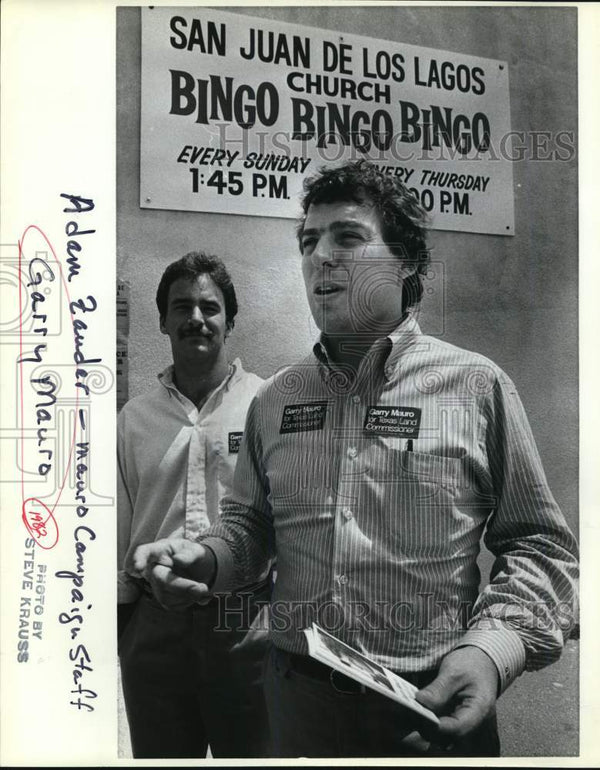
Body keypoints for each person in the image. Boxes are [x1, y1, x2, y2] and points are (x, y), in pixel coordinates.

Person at [130, 162, 579, 757]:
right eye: (309, 242)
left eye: (348, 237)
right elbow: (251, 527)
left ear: (408, 262)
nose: (321, 257)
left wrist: (492, 650)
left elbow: (541, 549)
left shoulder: (475, 387)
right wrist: (206, 558)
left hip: (428, 708)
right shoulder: (276, 399)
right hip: (294, 706)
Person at [117, 252, 271, 759]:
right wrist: (126, 633)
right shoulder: (134, 418)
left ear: (230, 319)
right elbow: (120, 523)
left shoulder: (266, 406)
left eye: (210, 306)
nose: (196, 319)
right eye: (181, 306)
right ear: (162, 319)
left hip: (245, 624)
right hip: (155, 629)